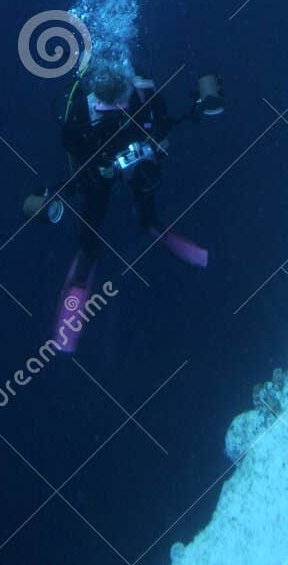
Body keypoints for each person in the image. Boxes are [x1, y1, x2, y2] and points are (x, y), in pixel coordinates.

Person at [50, 59, 211, 352]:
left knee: (145, 213)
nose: (114, 103)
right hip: (99, 173)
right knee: (90, 239)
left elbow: (163, 131)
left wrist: (153, 149)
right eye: (105, 100)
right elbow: (71, 148)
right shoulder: (81, 114)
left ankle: (159, 232)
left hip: (135, 166)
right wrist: (97, 169)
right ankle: (70, 319)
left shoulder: (144, 98)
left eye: (119, 97)